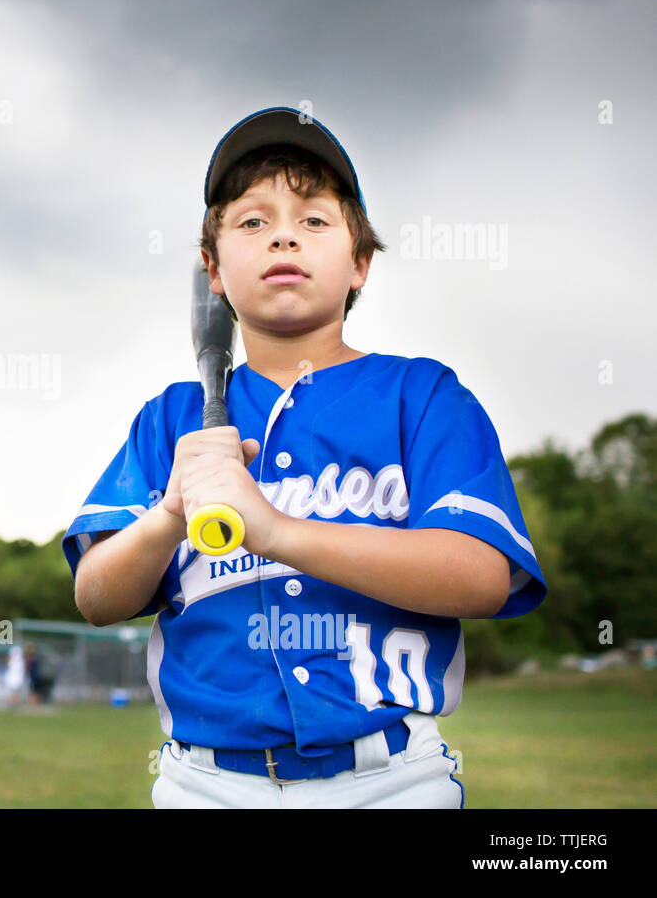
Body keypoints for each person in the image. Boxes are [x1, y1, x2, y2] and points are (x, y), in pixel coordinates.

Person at [65, 106, 547, 809]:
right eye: (252, 222)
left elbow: (482, 577)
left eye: (314, 219)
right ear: (214, 271)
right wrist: (170, 513)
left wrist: (276, 532)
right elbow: (97, 597)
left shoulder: (421, 395)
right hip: (206, 782)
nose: (283, 232)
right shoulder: (174, 420)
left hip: (391, 780)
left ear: (359, 263)